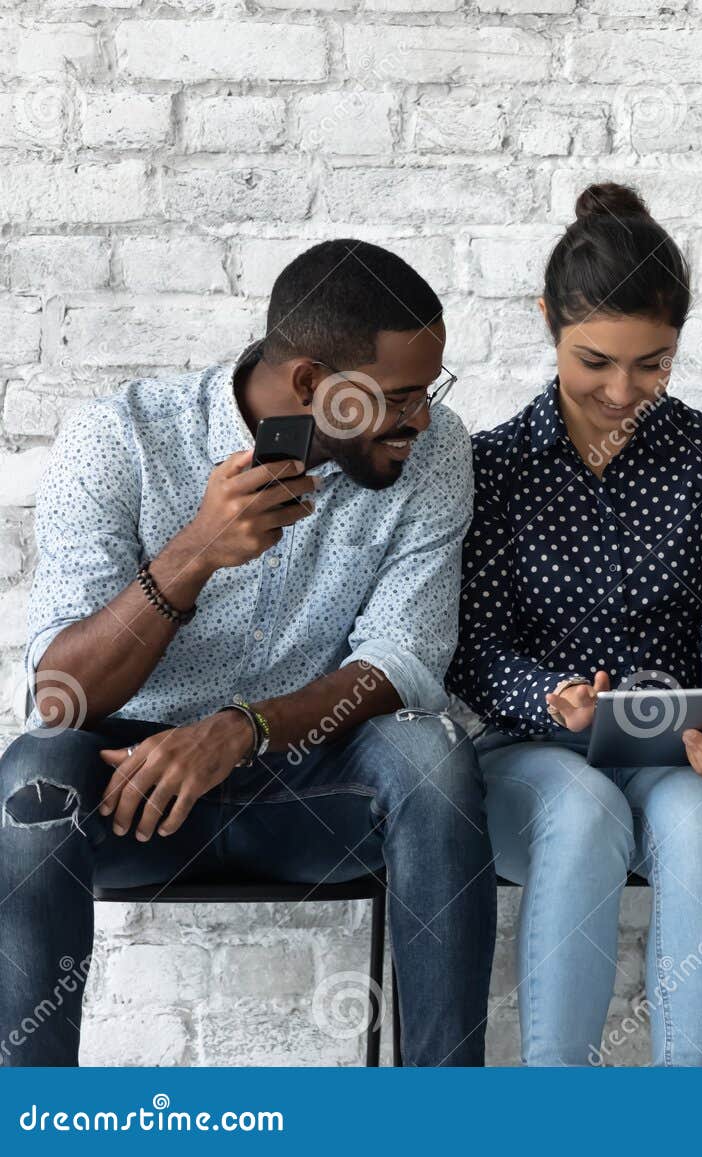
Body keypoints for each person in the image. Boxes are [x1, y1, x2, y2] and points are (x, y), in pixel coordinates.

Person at [0, 240, 496, 1066]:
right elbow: (60, 697)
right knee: (32, 776)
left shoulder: (436, 451)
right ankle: (33, 1114)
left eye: (428, 390)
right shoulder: (120, 438)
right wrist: (191, 556)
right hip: (135, 793)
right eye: (400, 397)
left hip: (312, 786)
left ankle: (445, 1116)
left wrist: (242, 728)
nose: (422, 418)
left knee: (432, 755)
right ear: (310, 385)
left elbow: (405, 656)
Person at [446, 183, 702, 1067]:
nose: (623, 390)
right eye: (594, 361)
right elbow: (471, 653)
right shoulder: (495, 465)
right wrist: (548, 695)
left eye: (653, 364)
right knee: (584, 805)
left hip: (683, 757)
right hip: (534, 754)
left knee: (699, 822)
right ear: (547, 321)